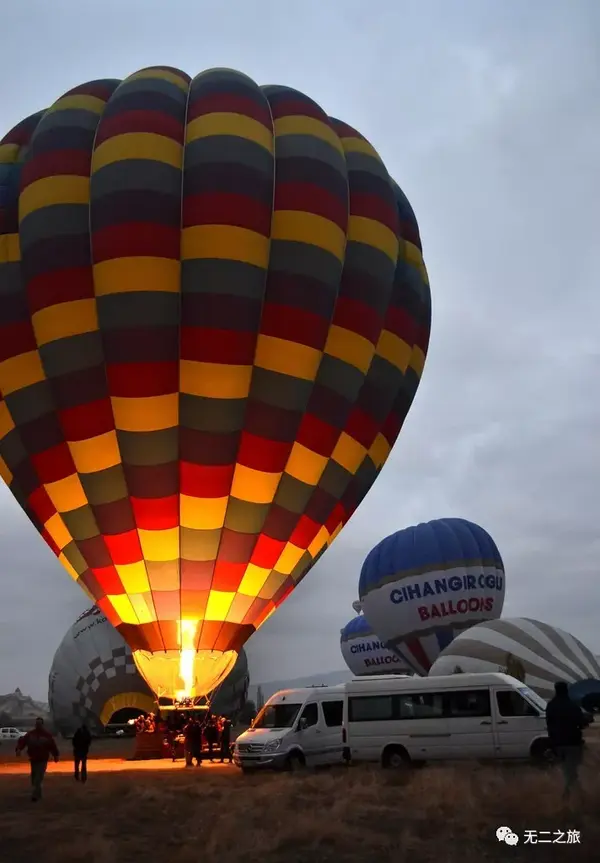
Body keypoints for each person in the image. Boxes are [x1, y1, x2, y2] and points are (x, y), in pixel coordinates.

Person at [546, 681, 587, 801]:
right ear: (566, 690)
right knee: (571, 771)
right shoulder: (573, 706)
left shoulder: (551, 706)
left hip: (557, 744)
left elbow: (549, 724)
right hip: (573, 743)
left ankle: (572, 796)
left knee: (566, 771)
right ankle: (571, 796)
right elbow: (581, 723)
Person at [15, 717, 59, 802]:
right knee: (34, 777)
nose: (38, 725)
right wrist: (19, 749)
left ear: (42, 724)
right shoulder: (31, 734)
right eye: (37, 723)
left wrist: (55, 755)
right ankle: (38, 793)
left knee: (38, 778)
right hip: (33, 759)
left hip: (43, 759)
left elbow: (52, 746)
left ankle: (35, 795)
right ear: (35, 724)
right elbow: (23, 742)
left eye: (39, 723)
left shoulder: (47, 735)